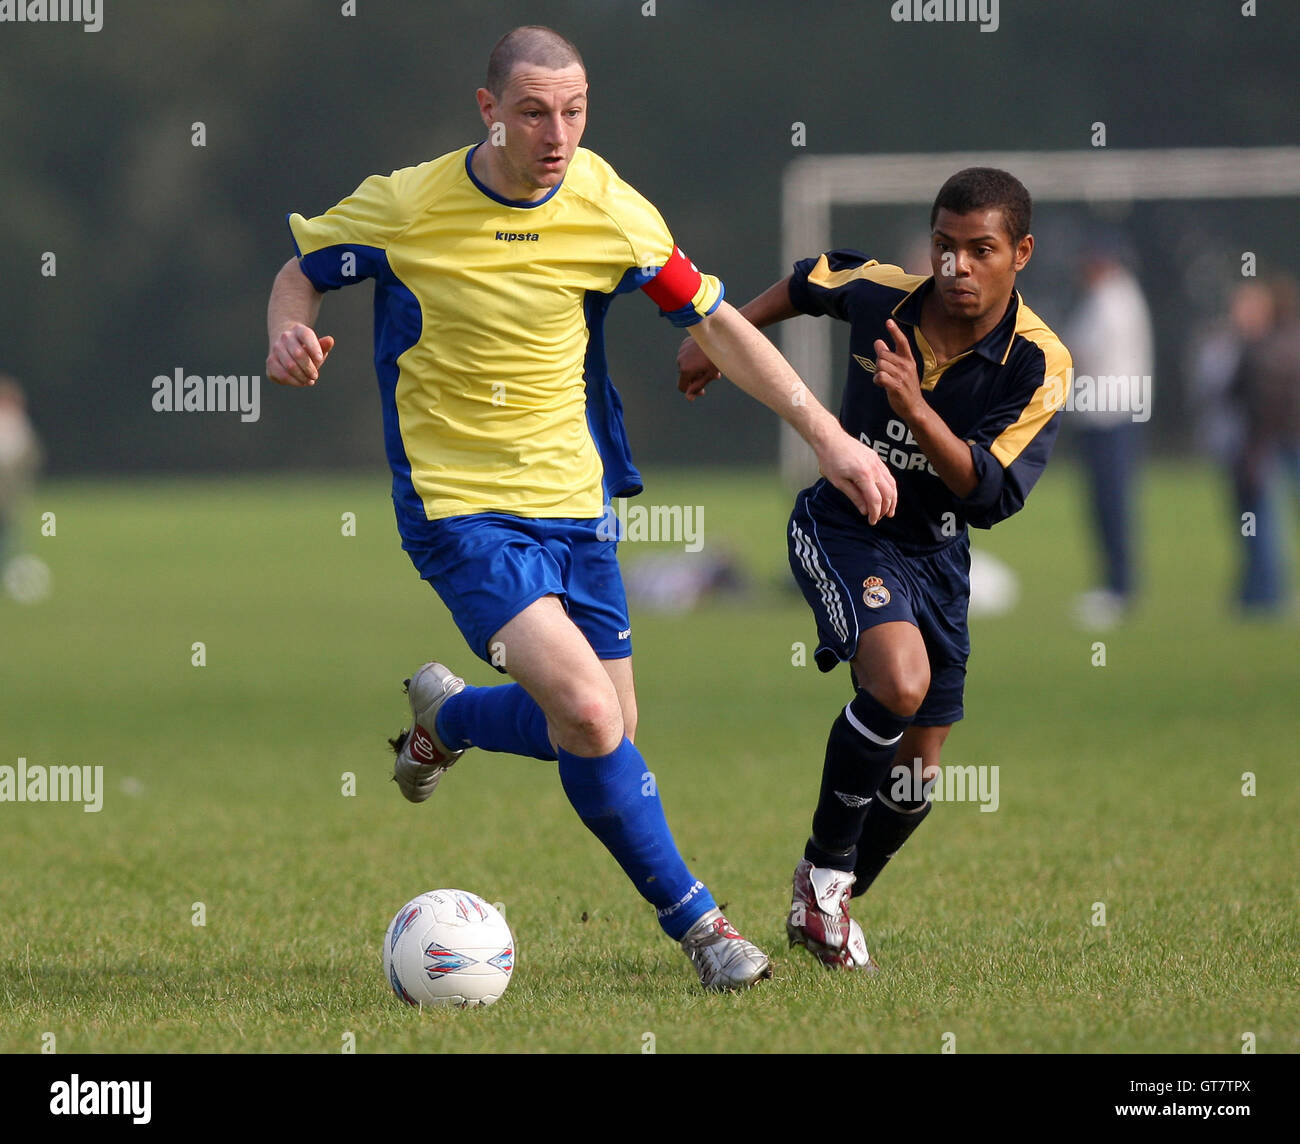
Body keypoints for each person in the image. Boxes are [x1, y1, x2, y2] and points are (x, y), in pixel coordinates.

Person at [264, 25, 896, 990]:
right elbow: (304, 270)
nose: (556, 133)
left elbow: (717, 322)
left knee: (602, 725)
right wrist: (288, 334)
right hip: (461, 510)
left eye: (574, 109)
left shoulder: (607, 204)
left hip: (581, 505)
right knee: (593, 717)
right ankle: (706, 931)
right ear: (488, 111)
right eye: (531, 112)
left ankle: (454, 719)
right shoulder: (408, 204)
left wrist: (828, 435)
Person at [678, 168, 1070, 969]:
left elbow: (990, 495)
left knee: (916, 784)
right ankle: (825, 875)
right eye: (945, 246)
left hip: (940, 554)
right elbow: (805, 280)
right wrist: (716, 340)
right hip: (843, 526)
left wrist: (915, 408)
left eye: (981, 250)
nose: (957, 267)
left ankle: (829, 889)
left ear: (1020, 254)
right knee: (898, 681)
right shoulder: (883, 295)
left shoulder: (1039, 363)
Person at [1062, 237, 1154, 629]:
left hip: (1111, 417)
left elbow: (1078, 352)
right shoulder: (1114, 297)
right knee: (1105, 503)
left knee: (1111, 503)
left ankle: (1119, 588)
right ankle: (1116, 584)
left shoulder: (1111, 300)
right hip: (1105, 416)